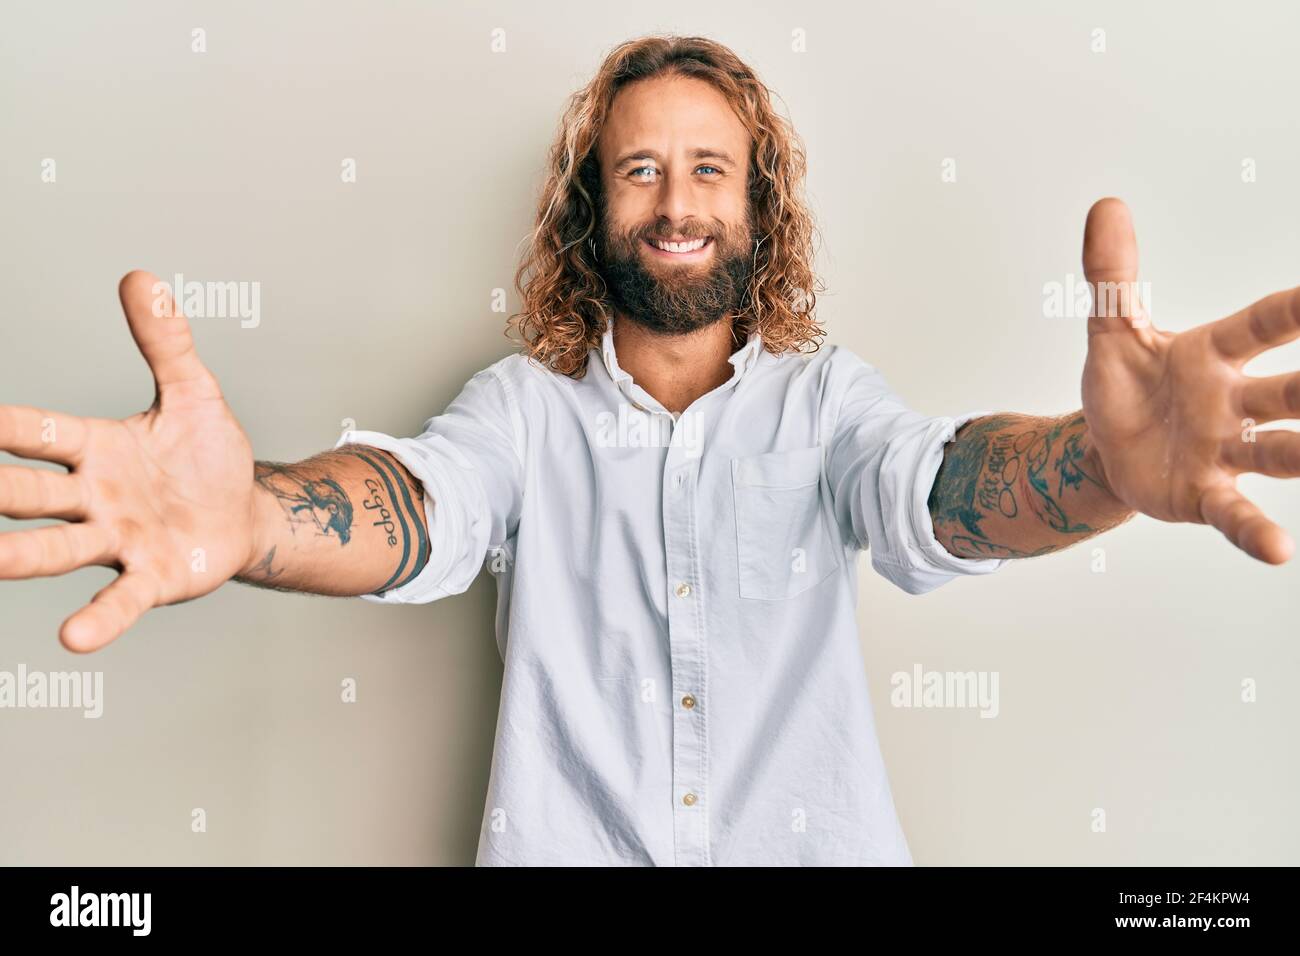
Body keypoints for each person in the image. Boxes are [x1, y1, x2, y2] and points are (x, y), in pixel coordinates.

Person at [3, 35, 1297, 866]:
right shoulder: (520, 409)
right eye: (637, 173)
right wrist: (259, 514)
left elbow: (935, 495)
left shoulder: (826, 403)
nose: (676, 204)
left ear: (757, 205)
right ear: (590, 211)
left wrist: (1093, 466)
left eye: (707, 171)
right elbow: (419, 506)